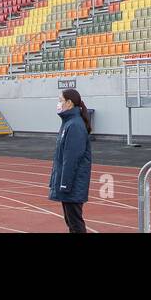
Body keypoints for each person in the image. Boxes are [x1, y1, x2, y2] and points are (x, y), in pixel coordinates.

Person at [49, 88, 93, 233]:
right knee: (71, 221)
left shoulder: (74, 125)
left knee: (75, 223)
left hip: (72, 184)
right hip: (69, 183)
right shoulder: (68, 123)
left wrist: (64, 184)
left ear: (69, 103)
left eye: (60, 100)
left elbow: (71, 159)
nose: (58, 103)